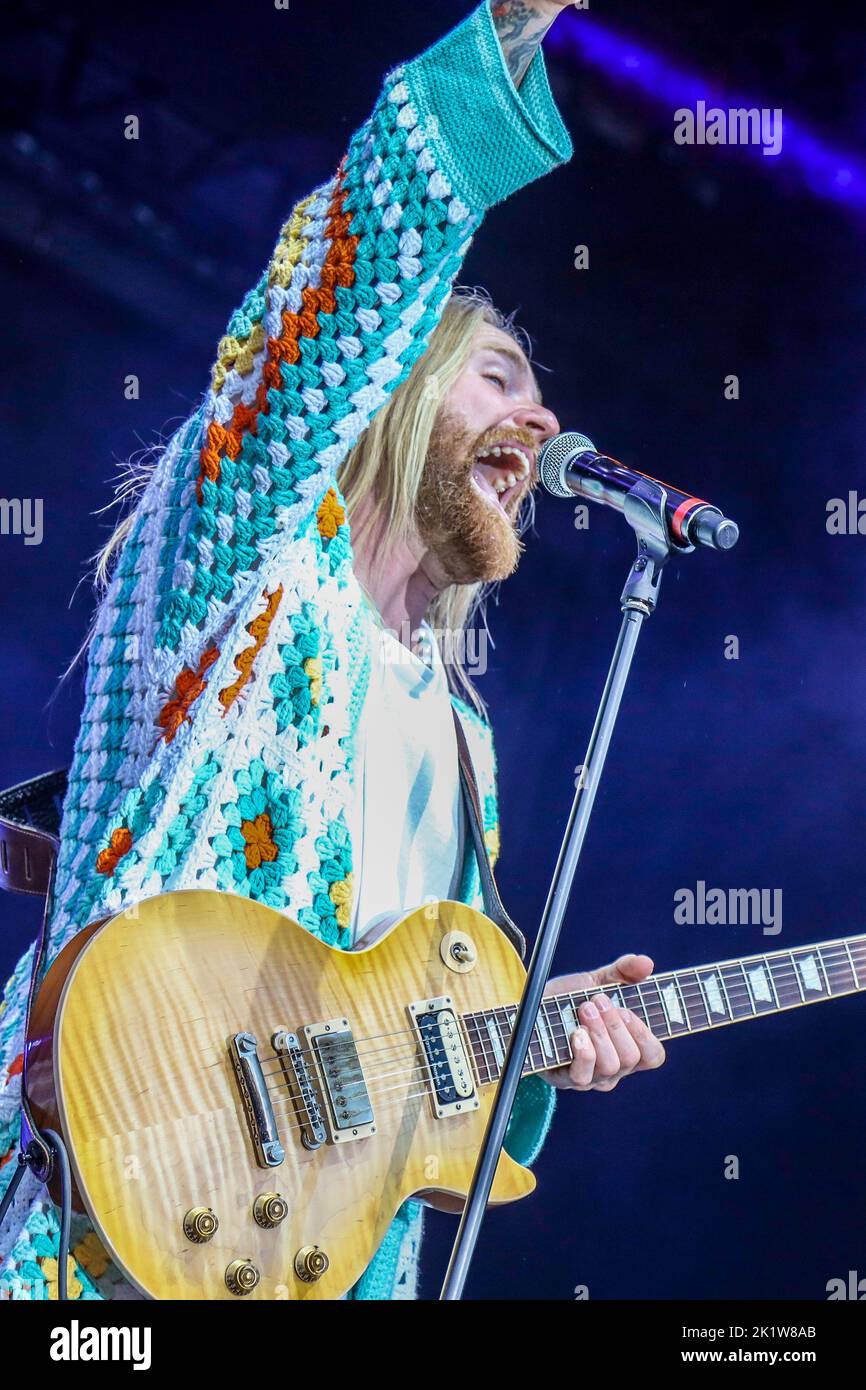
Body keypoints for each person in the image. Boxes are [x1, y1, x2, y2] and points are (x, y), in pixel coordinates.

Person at [0, 0, 665, 1301]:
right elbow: (332, 296)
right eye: (493, 375)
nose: (538, 412)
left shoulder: (466, 739)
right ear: (389, 388)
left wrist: (547, 1034)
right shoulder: (256, 551)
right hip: (109, 1195)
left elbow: (400, 1032)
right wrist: (504, 44)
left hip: (315, 1252)